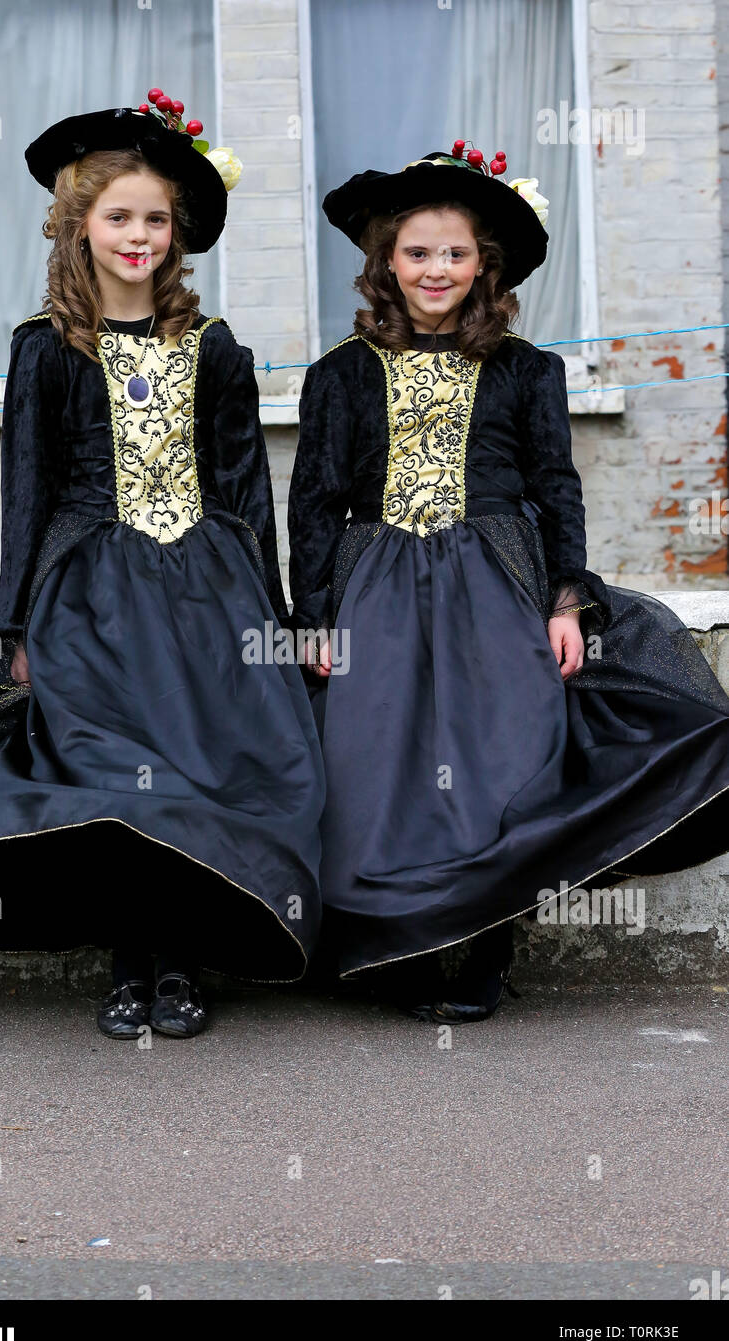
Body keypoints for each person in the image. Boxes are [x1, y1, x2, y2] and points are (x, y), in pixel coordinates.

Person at [0, 93, 325, 1039]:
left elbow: (244, 488)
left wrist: (273, 616)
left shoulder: (215, 347)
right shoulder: (46, 349)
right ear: (79, 226)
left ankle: (184, 962)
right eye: (119, 217)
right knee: (112, 779)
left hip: (206, 589)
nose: (139, 236)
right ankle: (128, 960)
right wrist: (14, 619)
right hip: (90, 590)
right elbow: (27, 491)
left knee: (198, 769)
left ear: (178, 232)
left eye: (156, 219)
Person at [287, 142, 729, 1022]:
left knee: (501, 757)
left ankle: (484, 944)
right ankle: (395, 950)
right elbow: (313, 503)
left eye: (455, 253)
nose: (436, 269)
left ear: (484, 264)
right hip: (376, 582)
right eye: (417, 252)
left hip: (496, 581)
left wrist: (567, 598)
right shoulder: (340, 375)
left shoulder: (529, 369)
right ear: (385, 263)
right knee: (381, 766)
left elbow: (556, 489)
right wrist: (314, 618)